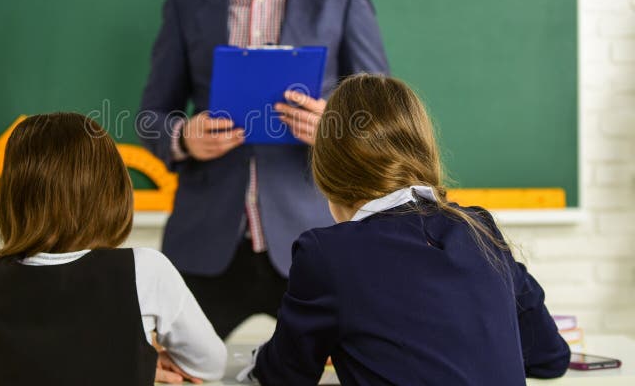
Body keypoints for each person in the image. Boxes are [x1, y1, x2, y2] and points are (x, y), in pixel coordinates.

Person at [137, 0, 389, 339]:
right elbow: (150, 116)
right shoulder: (187, 3)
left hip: (315, 241)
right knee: (171, 371)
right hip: (204, 246)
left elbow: (383, 120)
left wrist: (335, 129)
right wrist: (184, 137)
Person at [238, 73, 571, 385]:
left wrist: (256, 363)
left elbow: (286, 375)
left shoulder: (327, 253)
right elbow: (550, 357)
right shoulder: (479, 228)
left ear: (328, 169)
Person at [0, 112, 226, 386]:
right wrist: (140, 362)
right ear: (112, 189)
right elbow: (210, 364)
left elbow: (49, 363)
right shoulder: (145, 269)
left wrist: (138, 363)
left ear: (14, 197)